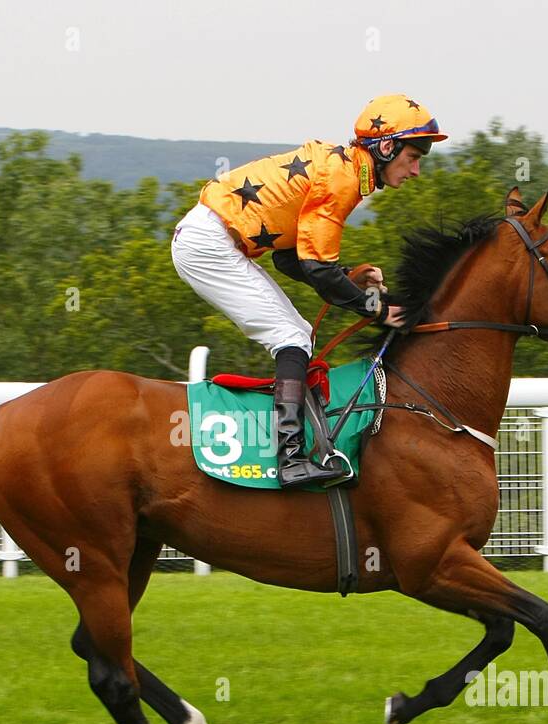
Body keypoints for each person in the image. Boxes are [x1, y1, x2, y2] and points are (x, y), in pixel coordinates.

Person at [171, 93, 447, 488]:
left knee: (298, 333)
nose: (417, 170)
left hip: (208, 239)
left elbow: (291, 259)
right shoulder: (343, 178)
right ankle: (290, 459)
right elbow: (318, 269)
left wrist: (347, 275)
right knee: (291, 336)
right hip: (208, 245)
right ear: (387, 147)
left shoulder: (341, 168)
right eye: (414, 155)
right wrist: (381, 310)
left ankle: (293, 451)